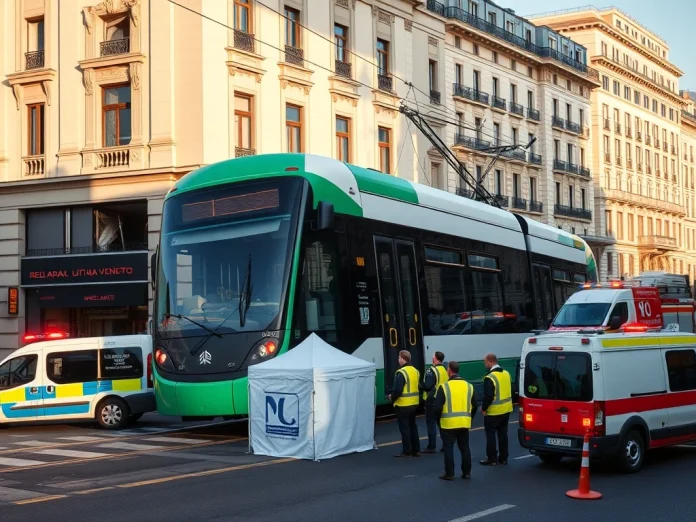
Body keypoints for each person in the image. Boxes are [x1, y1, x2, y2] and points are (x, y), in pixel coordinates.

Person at [434, 361, 477, 480]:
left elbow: (437, 408)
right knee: (464, 447)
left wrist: (439, 421)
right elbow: (475, 405)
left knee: (448, 448)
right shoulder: (469, 386)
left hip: (448, 424)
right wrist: (469, 418)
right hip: (464, 422)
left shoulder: (444, 387)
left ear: (449, 370)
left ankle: (450, 473)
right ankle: (466, 472)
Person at [480, 353, 513, 466]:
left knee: (490, 434)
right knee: (503, 434)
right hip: (507, 409)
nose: (484, 364)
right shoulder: (506, 373)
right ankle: (503, 458)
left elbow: (488, 396)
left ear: (491, 362)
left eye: (485, 362)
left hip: (494, 411)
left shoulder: (490, 377)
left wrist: (483, 408)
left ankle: (492, 458)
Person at [387, 350, 421, 458]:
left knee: (404, 428)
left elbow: (398, 390)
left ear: (403, 359)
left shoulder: (401, 372)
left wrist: (391, 397)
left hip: (403, 405)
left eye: (399, 358)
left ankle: (407, 451)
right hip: (414, 403)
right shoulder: (415, 371)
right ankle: (416, 450)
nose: (398, 360)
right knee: (413, 426)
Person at [420, 351, 448, 453]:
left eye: (433, 356)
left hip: (432, 400)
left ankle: (431, 446)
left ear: (435, 358)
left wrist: (420, 384)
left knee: (431, 423)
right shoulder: (445, 369)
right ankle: (445, 445)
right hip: (443, 399)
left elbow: (428, 386)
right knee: (441, 423)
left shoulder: (431, 370)